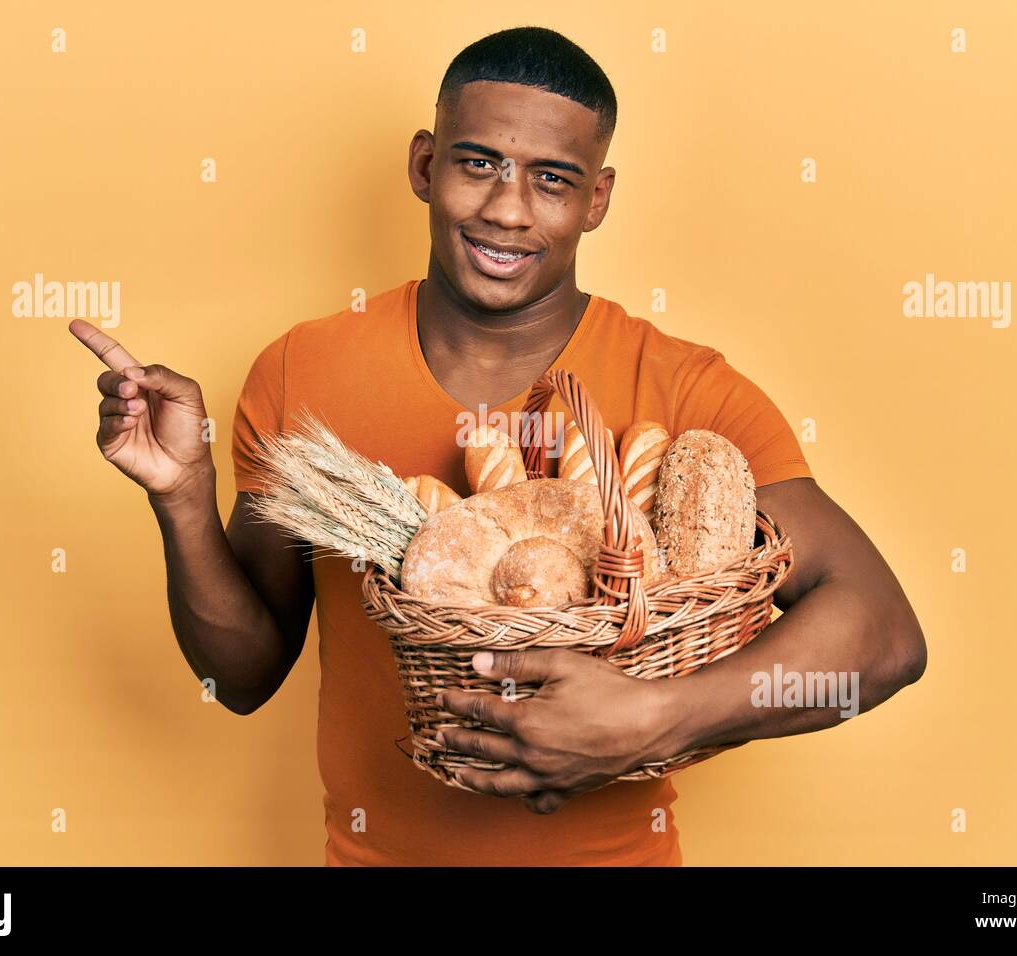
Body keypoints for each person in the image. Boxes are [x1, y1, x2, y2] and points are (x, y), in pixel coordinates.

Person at [70, 26, 926, 866]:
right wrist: (179, 497)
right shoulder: (306, 372)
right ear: (424, 166)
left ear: (597, 199)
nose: (508, 210)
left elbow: (885, 635)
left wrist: (655, 718)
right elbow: (245, 675)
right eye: (480, 163)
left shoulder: (686, 392)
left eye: (553, 180)